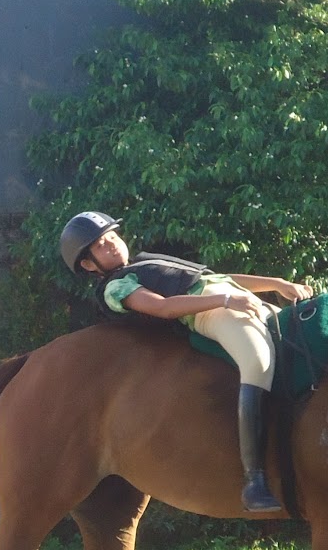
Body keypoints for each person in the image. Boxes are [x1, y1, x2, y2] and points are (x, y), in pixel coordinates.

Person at [59, 211, 312, 513]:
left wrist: (277, 283)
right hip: (210, 312)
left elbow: (221, 279)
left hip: (235, 298)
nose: (112, 244)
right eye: (101, 244)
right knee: (257, 361)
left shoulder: (146, 261)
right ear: (88, 264)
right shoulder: (117, 287)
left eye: (113, 236)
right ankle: (254, 479)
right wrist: (226, 302)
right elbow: (163, 307)